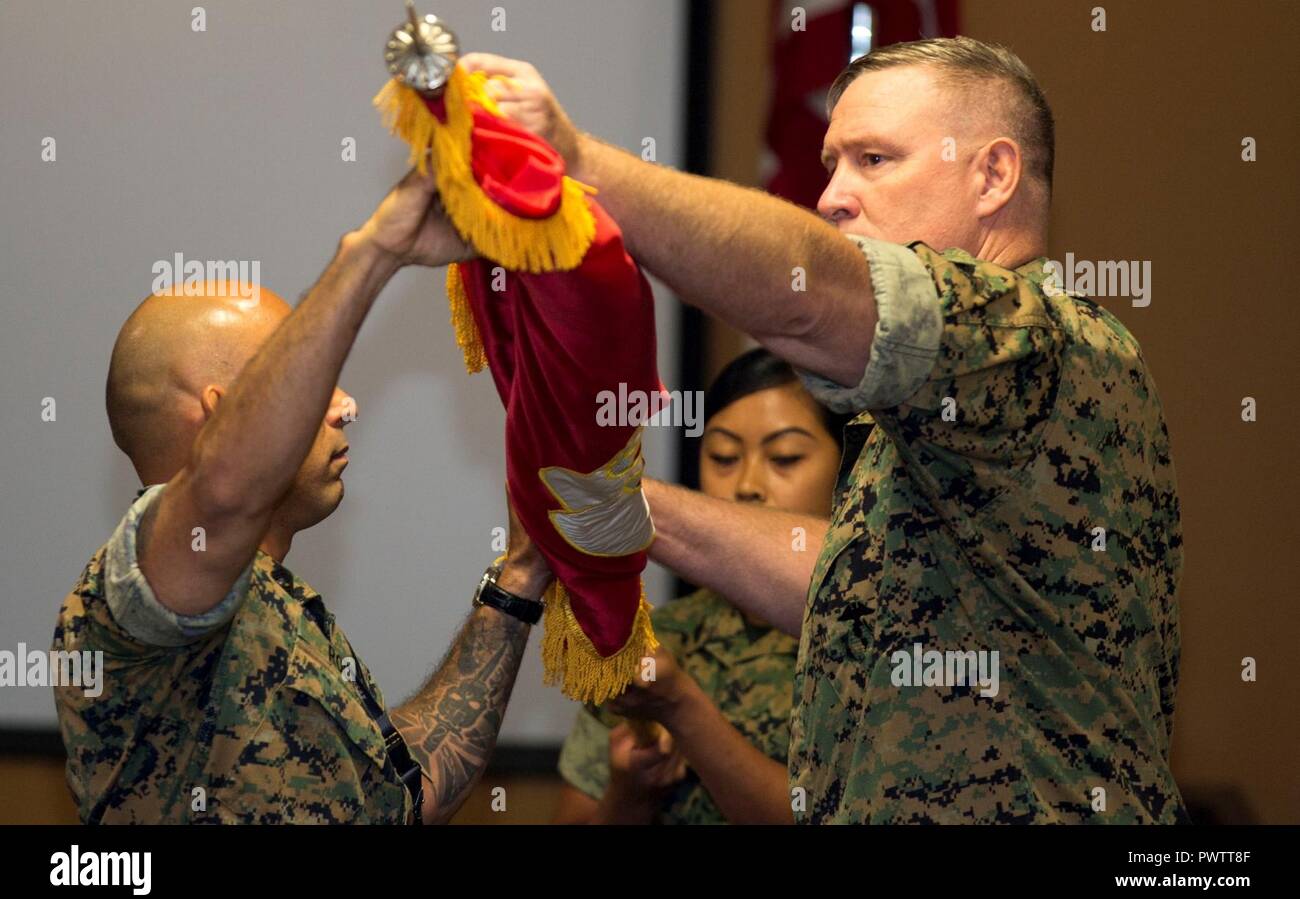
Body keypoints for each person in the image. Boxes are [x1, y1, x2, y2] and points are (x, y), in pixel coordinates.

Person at [460, 36, 1187, 824]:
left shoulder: (1033, 343)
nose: (833, 196)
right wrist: (629, 506)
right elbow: (854, 585)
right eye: (832, 164)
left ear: (994, 175)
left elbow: (809, 300)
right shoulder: (934, 408)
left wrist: (577, 164)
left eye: (874, 160)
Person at [52, 169, 552, 824]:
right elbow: (223, 491)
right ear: (222, 417)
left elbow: (405, 793)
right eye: (307, 381)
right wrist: (373, 252)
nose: (345, 405)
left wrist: (521, 572)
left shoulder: (275, 602)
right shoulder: (142, 585)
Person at [553, 349, 846, 825]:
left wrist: (683, 710)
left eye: (785, 458)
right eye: (724, 457)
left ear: (848, 470)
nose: (748, 484)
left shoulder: (874, 639)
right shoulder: (656, 644)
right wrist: (630, 793)